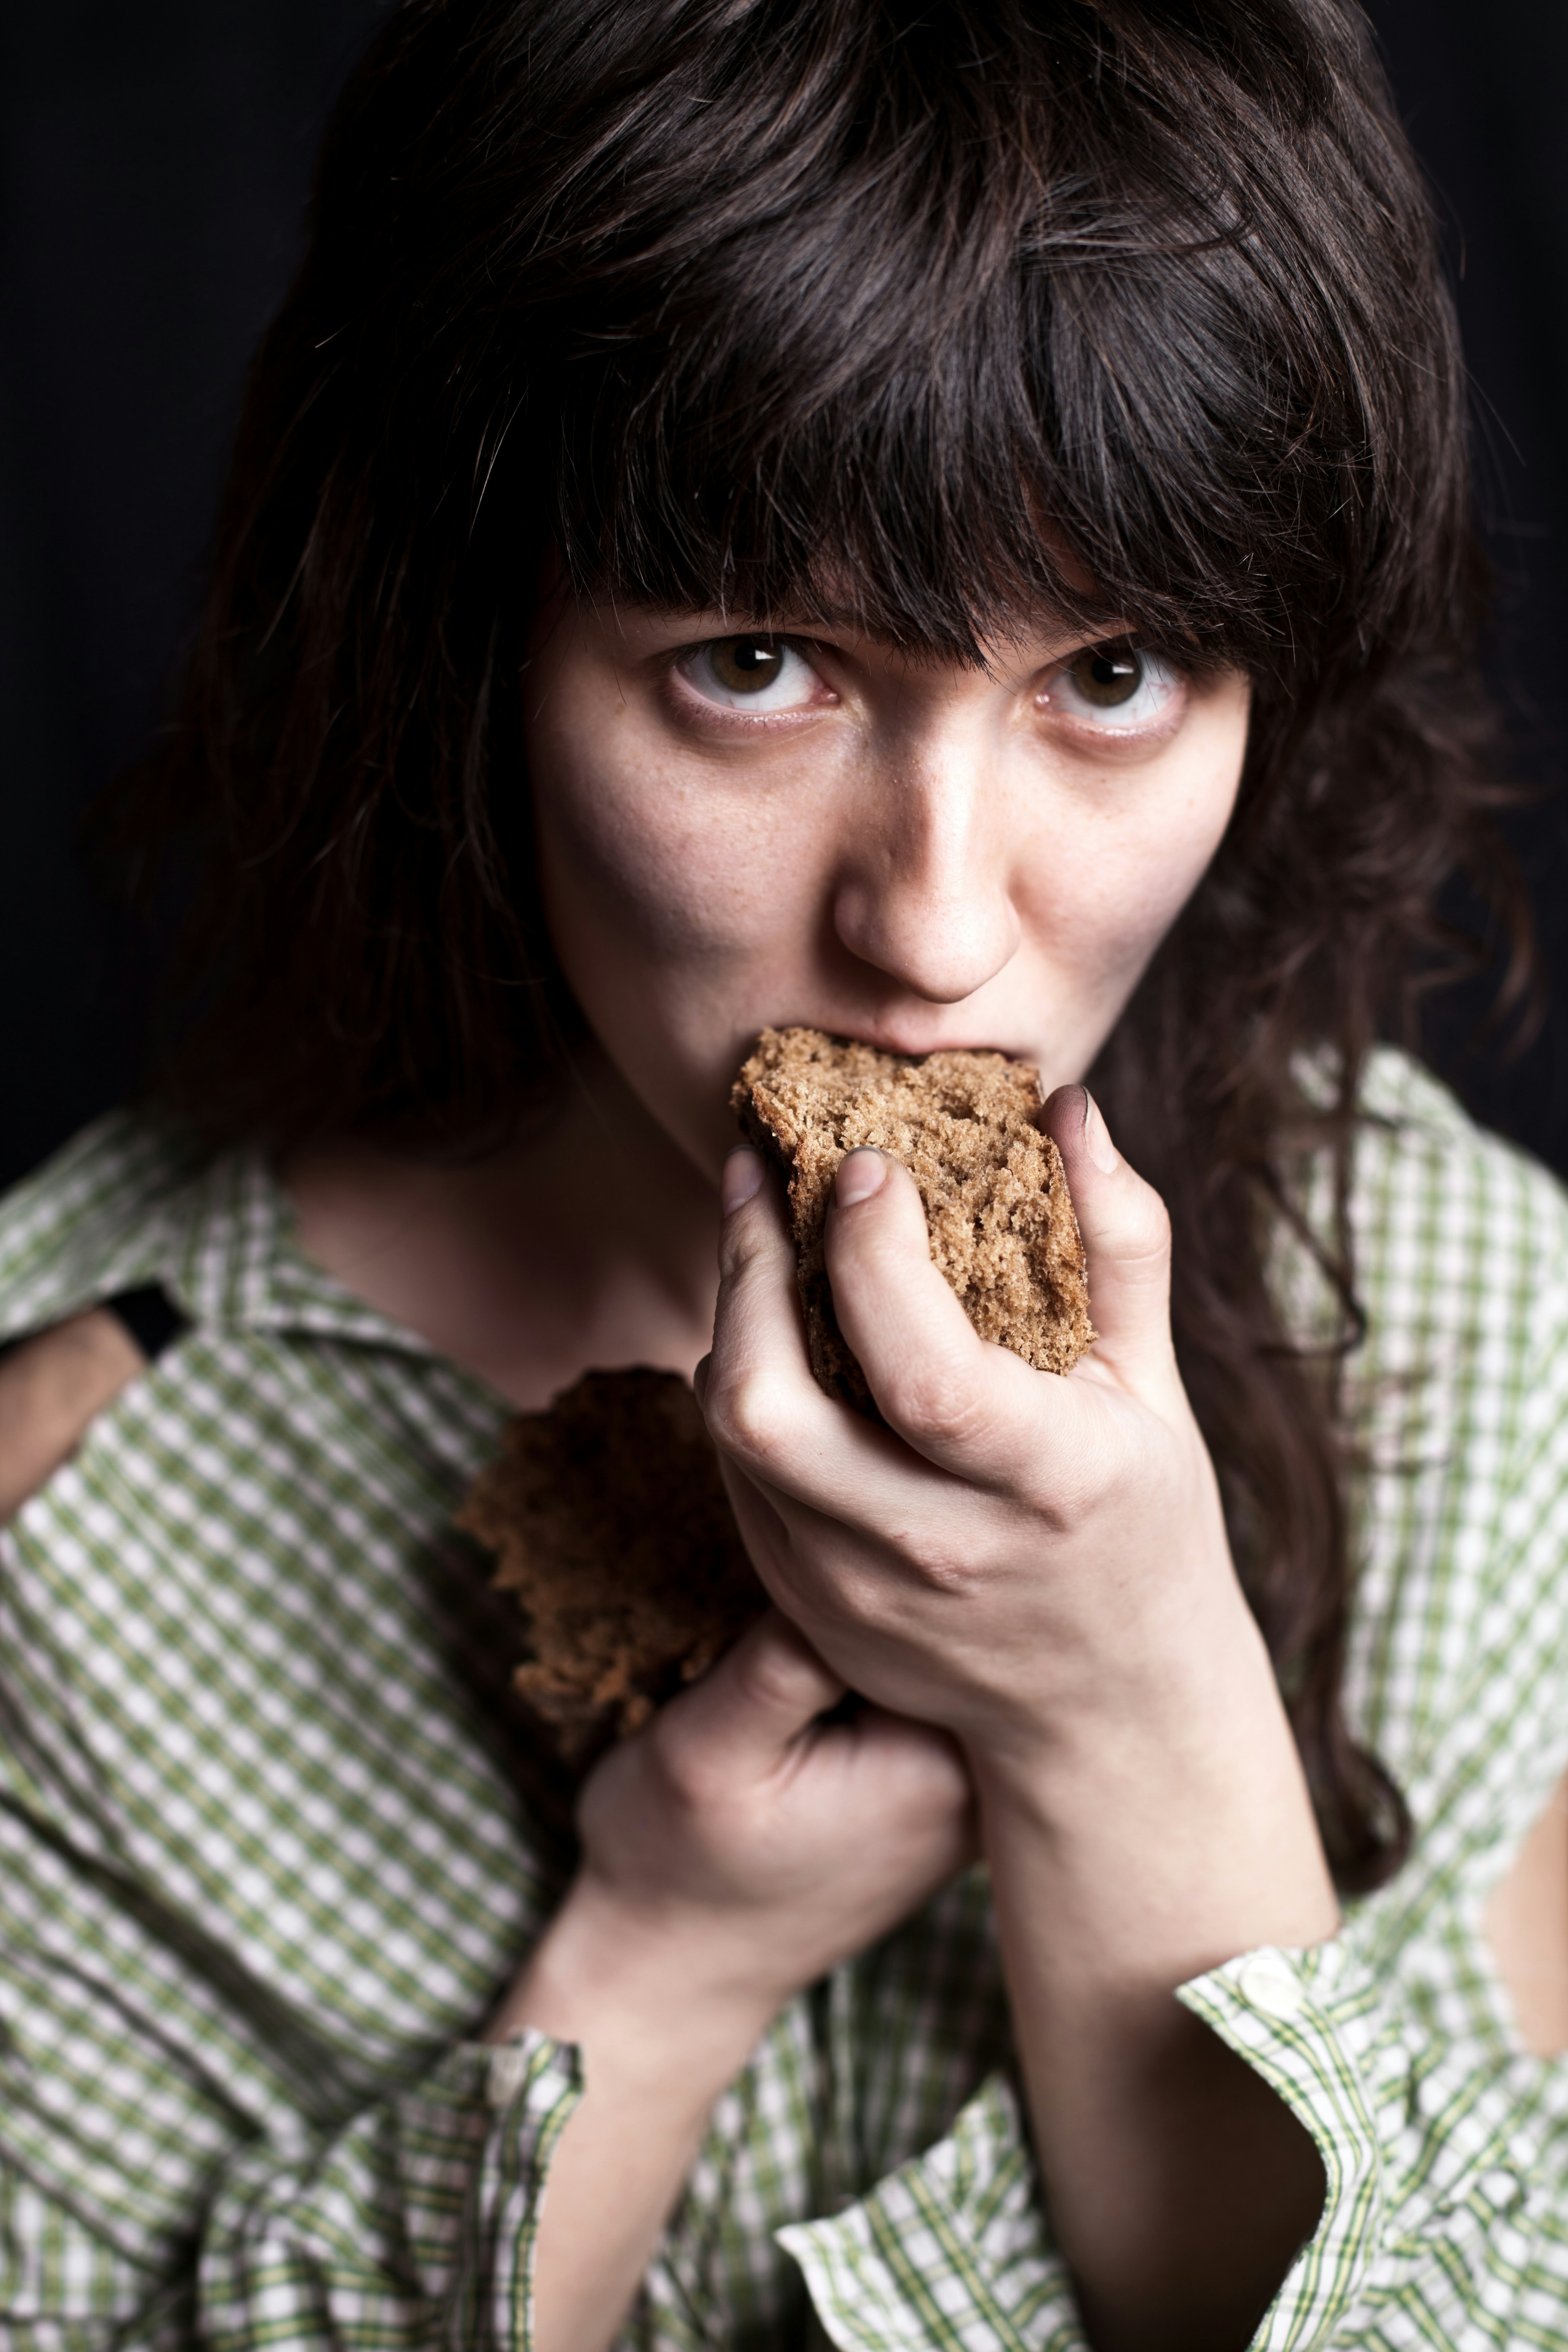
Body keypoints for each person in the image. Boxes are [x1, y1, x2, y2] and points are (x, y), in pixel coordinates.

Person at [2, 0, 1565, 2345]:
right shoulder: (79, 1504)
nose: (935, 929)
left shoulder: (1468, 1326)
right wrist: (661, 1957)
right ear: (478, 649)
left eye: (1116, 672)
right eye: (755, 660)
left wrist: (1131, 1701)